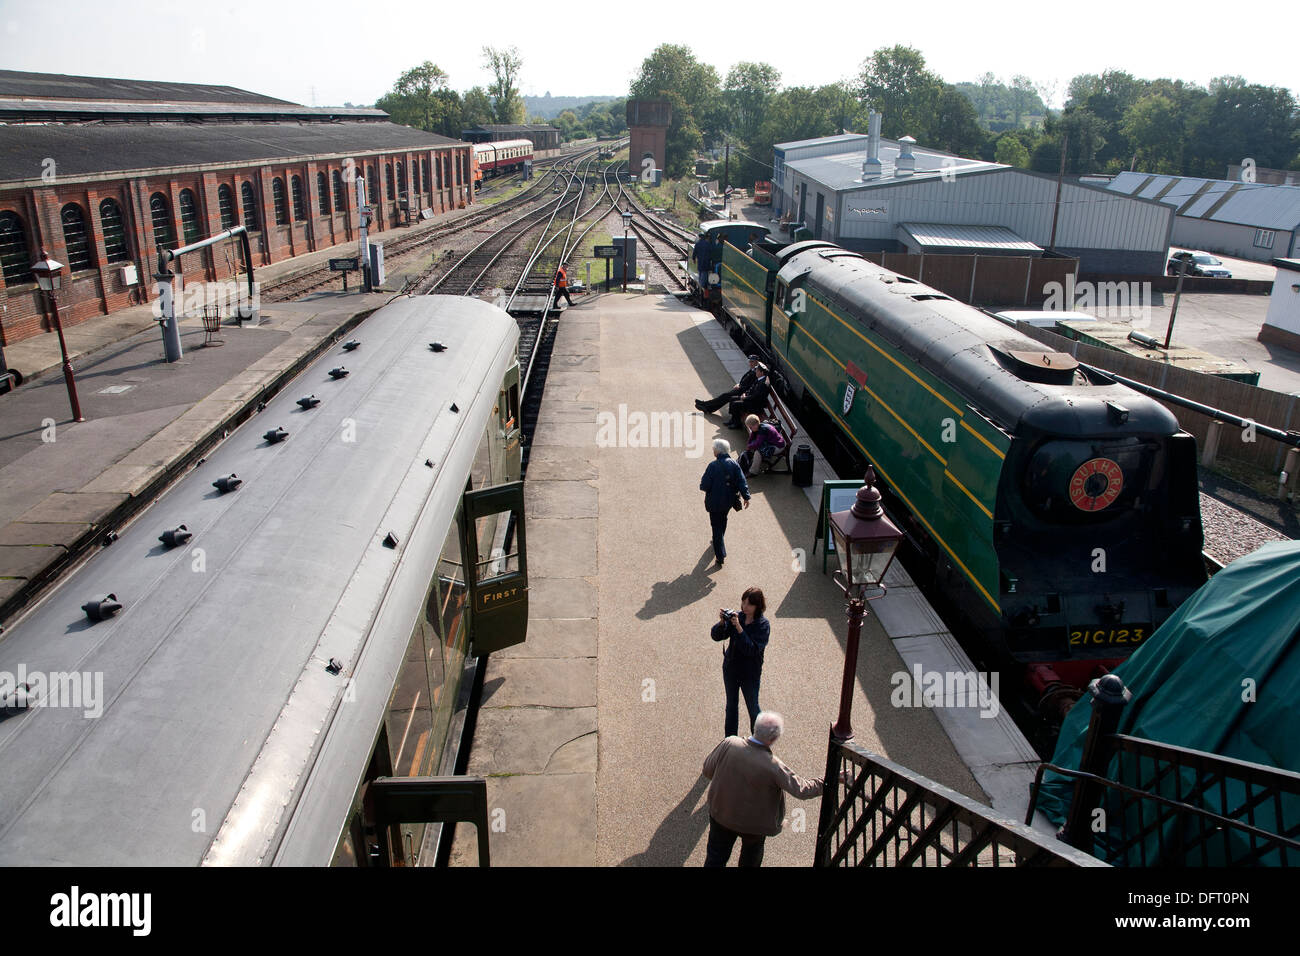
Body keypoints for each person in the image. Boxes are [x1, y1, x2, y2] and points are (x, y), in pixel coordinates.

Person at [701, 712, 825, 867]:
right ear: (774, 739)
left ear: (755, 727)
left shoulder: (729, 743)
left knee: (715, 857)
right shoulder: (773, 766)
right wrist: (828, 781)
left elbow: (707, 770)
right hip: (754, 826)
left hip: (722, 815)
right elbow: (802, 789)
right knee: (751, 858)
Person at [711, 586, 768, 738]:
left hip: (750, 674)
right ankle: (730, 742)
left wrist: (739, 628)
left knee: (753, 708)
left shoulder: (763, 625)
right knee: (731, 707)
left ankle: (759, 741)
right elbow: (716, 636)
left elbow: (751, 649)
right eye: (743, 602)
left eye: (749, 604)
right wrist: (722, 623)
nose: (744, 607)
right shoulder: (739, 616)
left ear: (758, 606)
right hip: (731, 669)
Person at [699, 438, 749, 567]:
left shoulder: (712, 466)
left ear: (718, 450)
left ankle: (720, 555)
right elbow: (741, 481)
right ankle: (719, 539)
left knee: (715, 526)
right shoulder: (734, 464)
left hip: (714, 502)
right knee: (723, 520)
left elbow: (704, 485)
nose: (713, 451)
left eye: (713, 449)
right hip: (728, 500)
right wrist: (746, 496)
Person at [695, 354, 766, 414]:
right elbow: (746, 380)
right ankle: (708, 407)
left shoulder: (756, 372)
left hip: (742, 391)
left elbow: (751, 385)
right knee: (725, 396)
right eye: (749, 361)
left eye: (752, 362)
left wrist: (741, 387)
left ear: (756, 362)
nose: (750, 363)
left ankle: (706, 406)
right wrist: (739, 384)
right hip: (741, 388)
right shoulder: (753, 369)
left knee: (725, 396)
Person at [722, 364, 770, 428]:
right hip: (750, 400)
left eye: (757, 371)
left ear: (762, 373)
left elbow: (756, 396)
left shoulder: (763, 383)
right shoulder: (759, 379)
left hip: (755, 405)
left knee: (735, 404)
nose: (756, 372)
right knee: (732, 398)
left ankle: (737, 424)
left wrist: (745, 398)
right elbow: (751, 388)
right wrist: (745, 394)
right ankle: (733, 420)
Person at [691, 229, 712, 293]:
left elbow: (694, 253)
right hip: (707, 262)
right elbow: (711, 252)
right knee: (705, 273)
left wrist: (693, 259)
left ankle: (701, 286)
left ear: (700, 237)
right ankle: (704, 285)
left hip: (700, 261)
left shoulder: (698, 244)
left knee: (700, 273)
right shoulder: (708, 244)